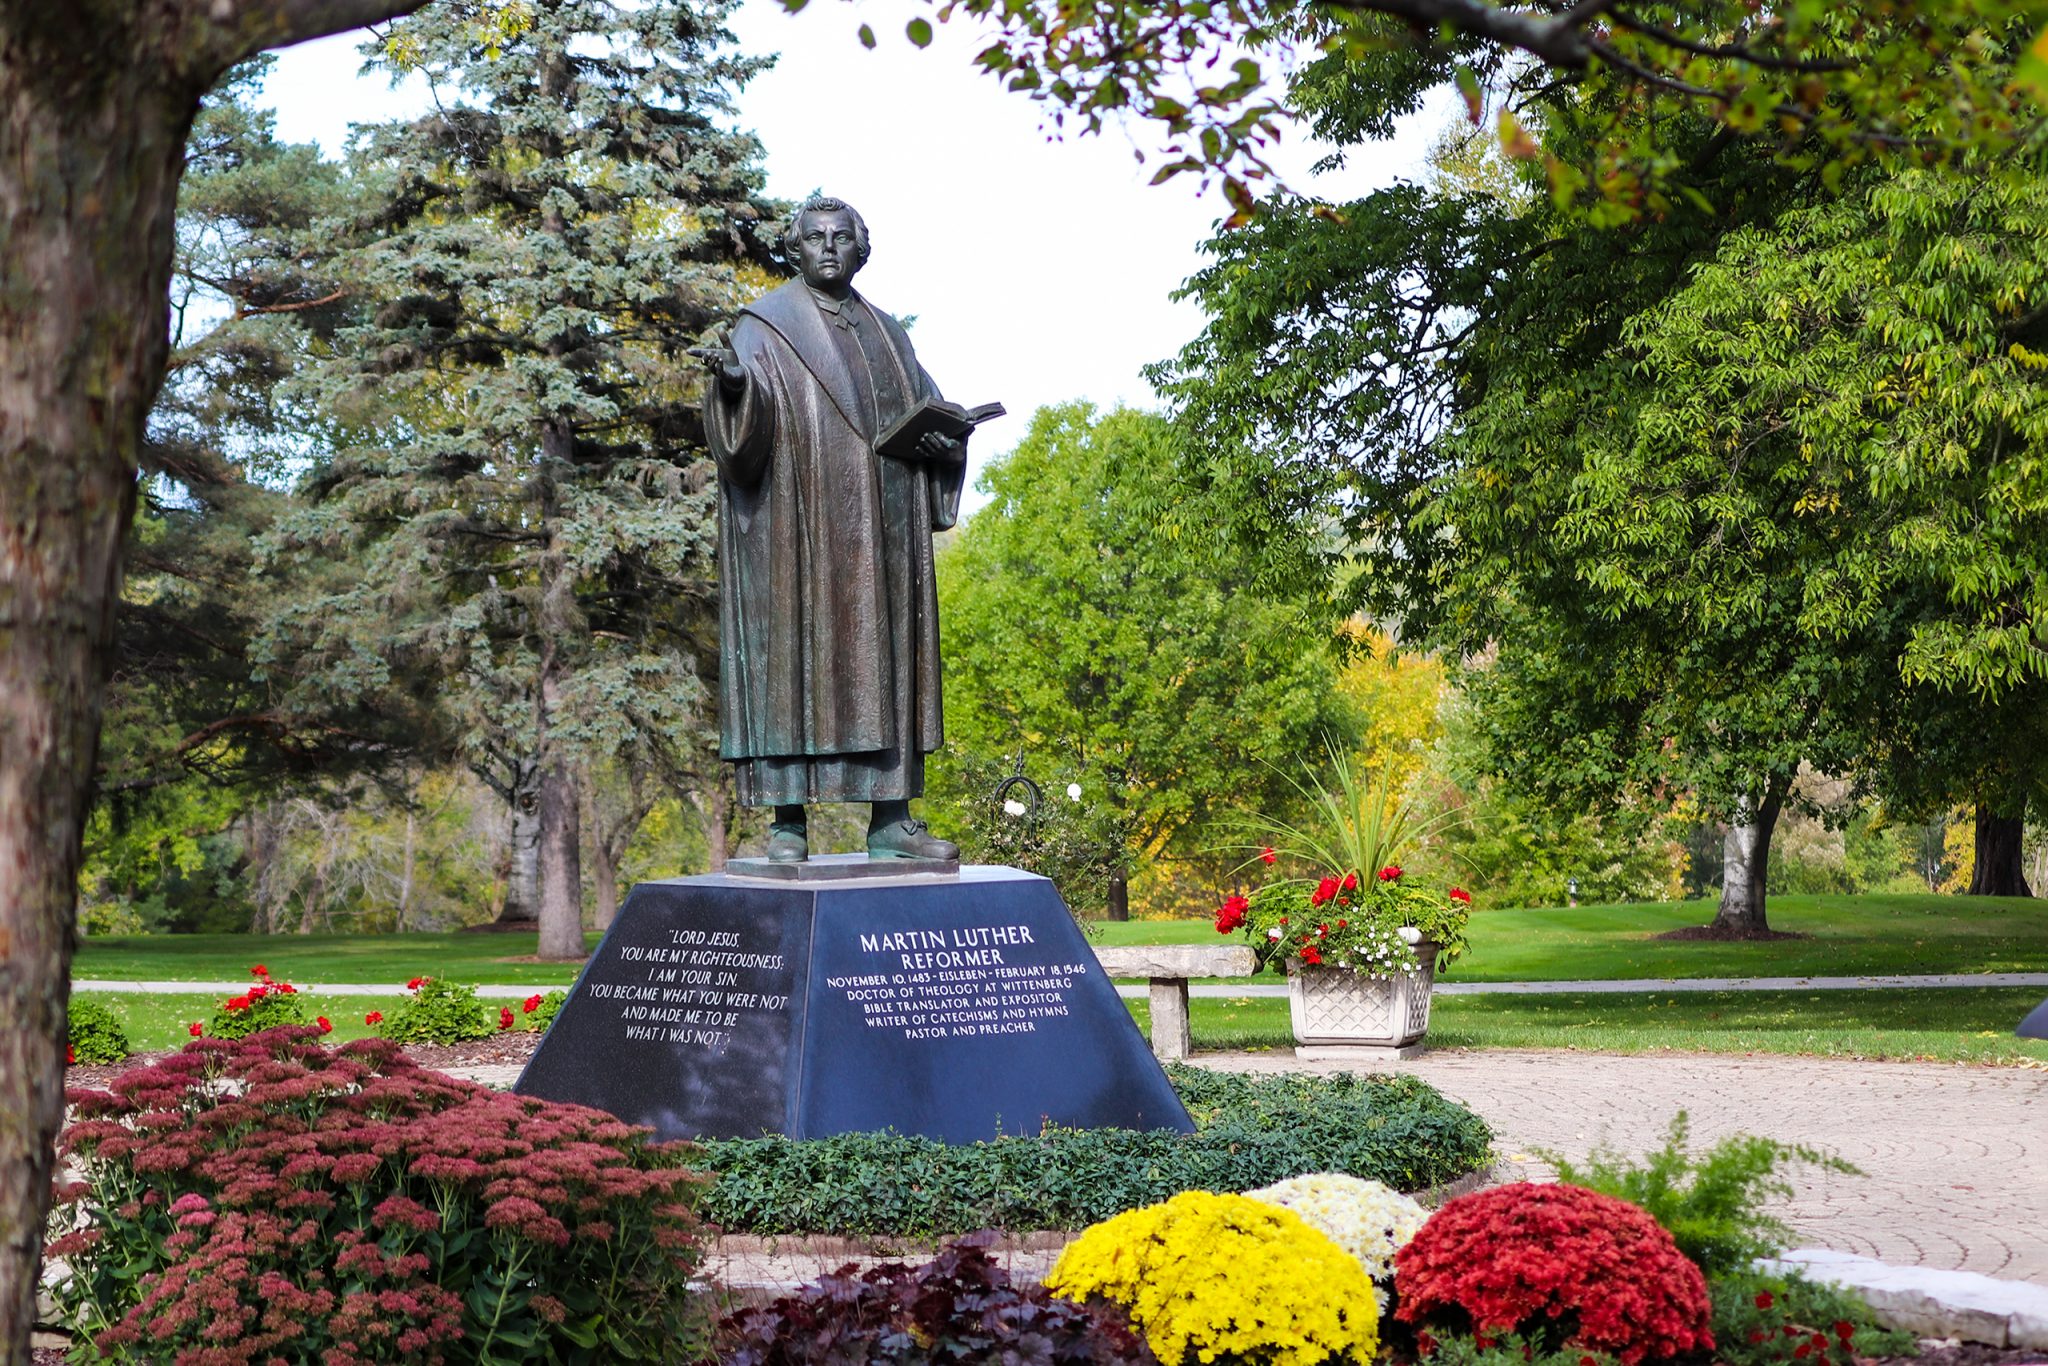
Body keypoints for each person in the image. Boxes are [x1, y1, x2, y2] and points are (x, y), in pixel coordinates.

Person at [696, 195, 967, 863]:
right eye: (814, 237)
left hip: (883, 527)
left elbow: (922, 409)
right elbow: (741, 429)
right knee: (794, 666)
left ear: (859, 249)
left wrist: (944, 436)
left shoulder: (889, 334)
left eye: (840, 238)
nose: (827, 248)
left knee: (886, 662)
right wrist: (734, 390)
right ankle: (787, 823)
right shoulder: (764, 328)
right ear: (795, 248)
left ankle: (892, 821)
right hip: (800, 526)